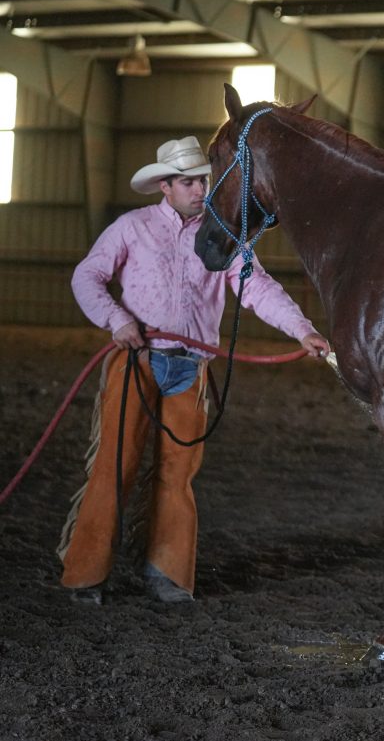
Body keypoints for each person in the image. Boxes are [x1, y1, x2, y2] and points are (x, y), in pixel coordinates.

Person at [58, 135, 330, 605]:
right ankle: (85, 574)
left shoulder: (221, 236)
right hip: (136, 361)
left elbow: (257, 287)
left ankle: (169, 573)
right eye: (189, 182)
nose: (200, 189)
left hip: (192, 365)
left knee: (177, 473)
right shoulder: (131, 228)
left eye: (203, 180)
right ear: (165, 186)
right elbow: (87, 276)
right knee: (113, 466)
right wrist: (117, 318)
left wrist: (301, 330)